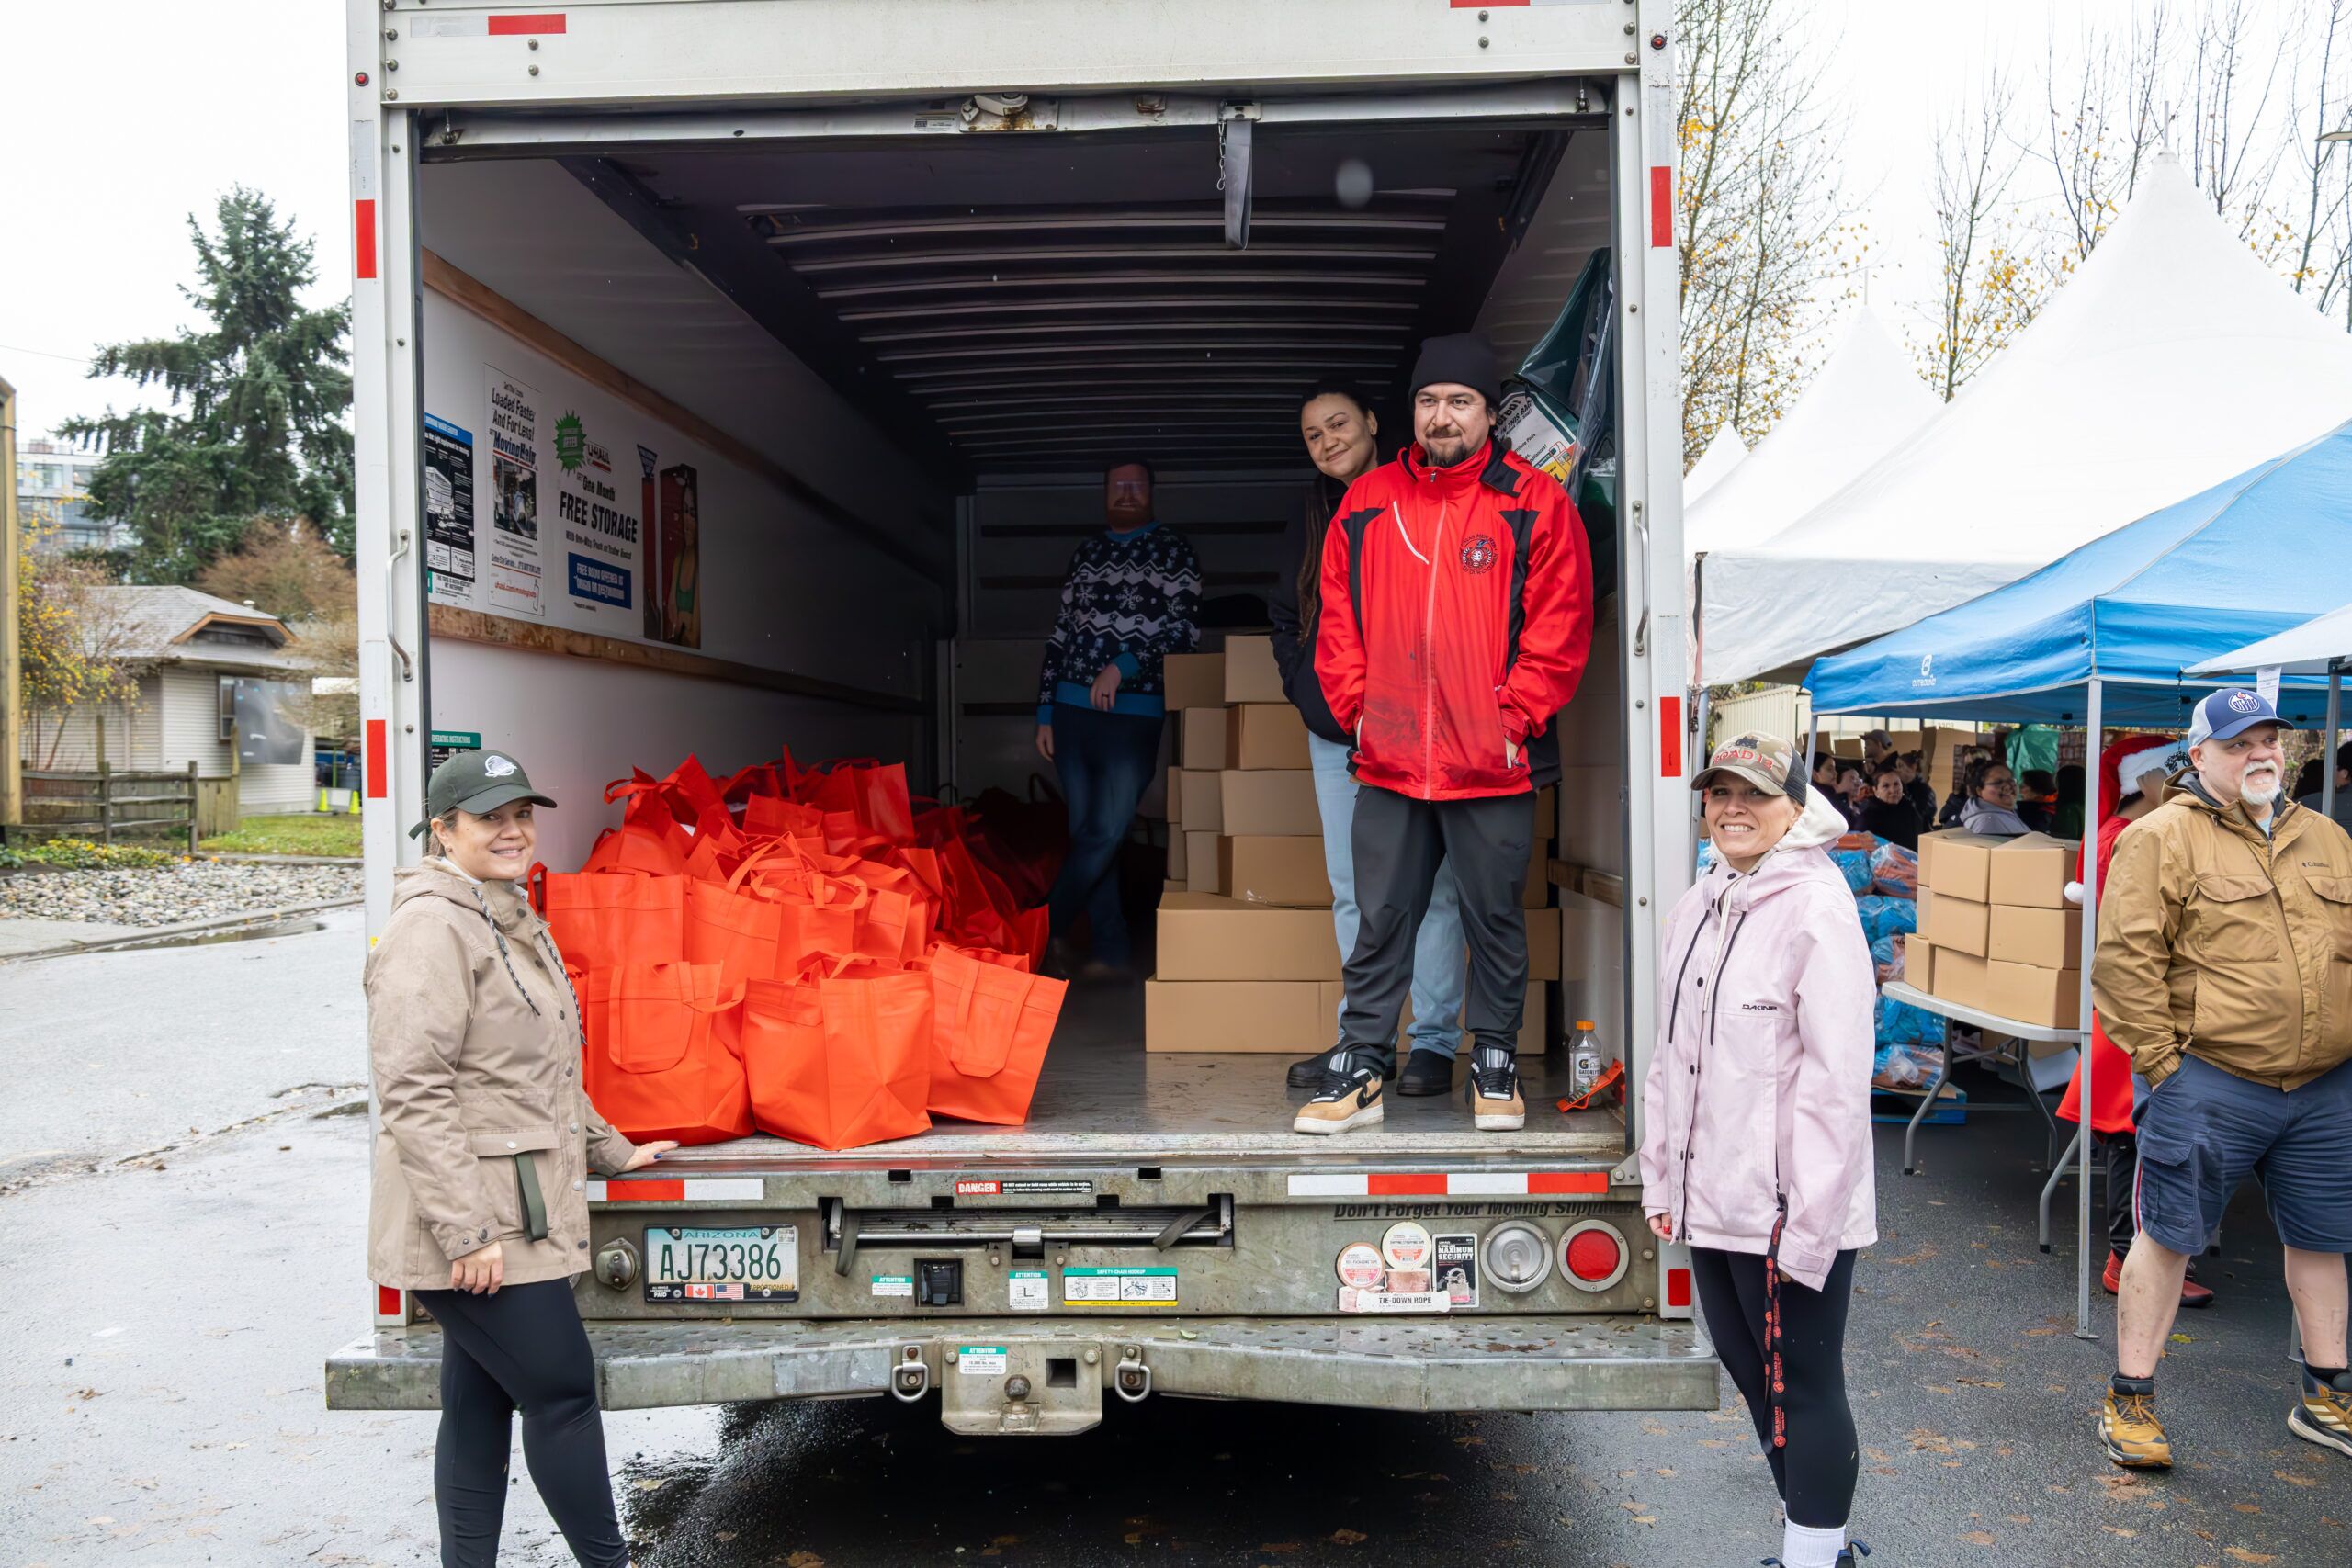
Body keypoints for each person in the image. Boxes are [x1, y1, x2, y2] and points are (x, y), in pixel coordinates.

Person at [367, 751, 675, 1568]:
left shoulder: (502, 911)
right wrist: (466, 1231)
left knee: (479, 1406)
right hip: (478, 1222)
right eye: (489, 818)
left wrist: (612, 1148)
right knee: (563, 1390)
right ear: (444, 829)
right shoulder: (430, 928)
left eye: (521, 815)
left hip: (512, 1205)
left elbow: (536, 1071)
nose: (512, 831)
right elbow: (413, 1088)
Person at [1295, 333, 1593, 1134]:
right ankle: (1361, 1067)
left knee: (1491, 915)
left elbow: (1561, 628)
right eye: (1429, 401)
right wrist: (1360, 713)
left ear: (1490, 414)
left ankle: (1492, 1060)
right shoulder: (1368, 502)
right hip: (1390, 759)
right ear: (1411, 412)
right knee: (1380, 916)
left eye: (1460, 401)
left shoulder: (1535, 502)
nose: (1442, 416)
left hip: (1490, 763)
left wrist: (1512, 721)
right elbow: (1337, 626)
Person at [2093, 688, 2352, 1470]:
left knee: (2322, 1240)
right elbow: (2124, 962)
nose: (2260, 754)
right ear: (2198, 755)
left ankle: (2326, 1393)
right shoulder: (2160, 835)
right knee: (2169, 1236)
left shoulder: (2328, 838)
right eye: (2239, 743)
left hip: (2322, 1085)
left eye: (2269, 740)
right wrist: (2166, 1069)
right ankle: (2130, 1400)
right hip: (2210, 1079)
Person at [1639, 733, 1878, 1568]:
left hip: (1788, 1206)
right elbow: (1674, 1051)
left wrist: (1809, 1222)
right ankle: (1818, 1536)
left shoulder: (1816, 905)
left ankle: (1813, 1556)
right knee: (1753, 1372)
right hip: (1715, 1198)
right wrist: (1662, 1171)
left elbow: (1838, 1080)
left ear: (1795, 808)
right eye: (1719, 792)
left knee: (1803, 1384)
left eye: (1755, 793)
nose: (1733, 807)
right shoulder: (1702, 900)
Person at [1271, 384, 1467, 1097]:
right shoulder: (1311, 513)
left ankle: (1436, 1043)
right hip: (1339, 731)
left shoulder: (1425, 491)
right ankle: (1366, 1041)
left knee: (1434, 888)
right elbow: (1283, 614)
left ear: (1375, 423)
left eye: (1339, 424)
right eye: (1314, 435)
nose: (1328, 441)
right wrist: (1308, 690)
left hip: (1423, 730)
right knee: (1353, 889)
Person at [2052, 735, 2213, 1308]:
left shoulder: (2126, 835)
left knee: (2137, 1141)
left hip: (2140, 1011)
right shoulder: (2125, 839)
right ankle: (2127, 1258)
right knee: (2131, 1142)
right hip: (2138, 1013)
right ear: (2143, 781)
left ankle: (2138, 1255)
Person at [1034, 458, 1203, 977]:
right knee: (1086, 830)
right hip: (1070, 712)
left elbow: (1185, 632)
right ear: (1105, 494)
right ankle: (1110, 949)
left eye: (1136, 486)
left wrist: (1121, 667)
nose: (1126, 494)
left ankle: (1041, 932)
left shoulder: (1174, 551)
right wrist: (1045, 711)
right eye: (1117, 487)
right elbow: (1060, 632)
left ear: (1151, 493)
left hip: (1132, 715)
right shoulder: (1086, 552)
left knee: (1106, 831)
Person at [1958, 758, 2034, 836]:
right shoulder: (1987, 822)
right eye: (1998, 782)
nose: (2008, 786)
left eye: (2011, 780)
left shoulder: (2005, 813)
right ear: (1979, 791)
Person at [1856, 761, 1920, 850]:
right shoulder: (1868, 818)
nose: (1893, 790)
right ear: (1875, 790)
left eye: (1896, 784)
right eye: (1886, 786)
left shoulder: (1910, 808)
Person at [1894, 750, 1937, 826]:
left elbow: (1927, 813)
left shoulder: (1924, 790)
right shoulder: (1900, 786)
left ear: (1913, 767)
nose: (1898, 770)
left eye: (1901, 766)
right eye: (1896, 766)